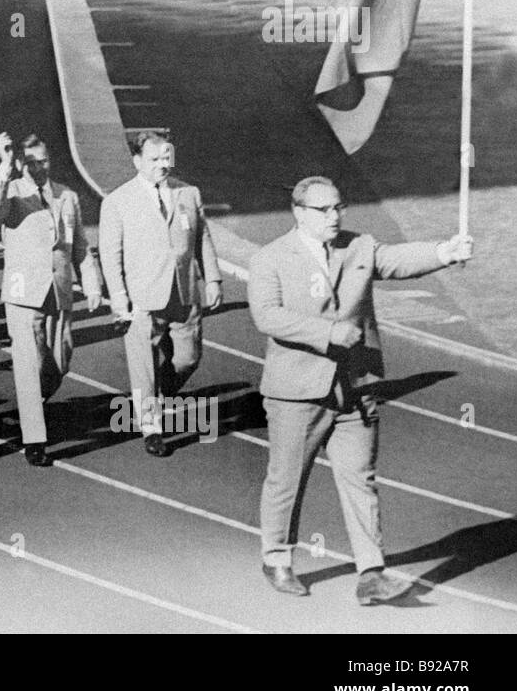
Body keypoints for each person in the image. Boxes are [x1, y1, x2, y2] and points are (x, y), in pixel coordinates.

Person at [248, 176, 474, 605]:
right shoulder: (271, 259)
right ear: (299, 213)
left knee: (360, 480)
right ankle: (276, 557)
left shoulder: (359, 246)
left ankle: (372, 571)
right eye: (323, 210)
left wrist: (445, 251)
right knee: (287, 479)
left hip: (356, 386)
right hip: (297, 391)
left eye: (339, 208)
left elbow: (396, 260)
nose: (335, 217)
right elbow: (267, 316)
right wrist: (330, 332)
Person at [98, 132, 222, 457]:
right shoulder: (118, 202)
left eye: (166, 157)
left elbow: (202, 238)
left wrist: (213, 280)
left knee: (188, 357)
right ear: (137, 161)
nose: (162, 165)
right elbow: (110, 255)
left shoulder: (188, 193)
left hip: (183, 291)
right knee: (143, 366)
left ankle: (161, 391)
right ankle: (151, 427)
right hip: (142, 295)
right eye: (154, 160)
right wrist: (119, 299)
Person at [0, 133, 103, 465]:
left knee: (59, 361)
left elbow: (79, 245)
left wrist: (91, 284)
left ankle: (31, 404)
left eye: (43, 161)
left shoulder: (67, 196)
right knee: (28, 364)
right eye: (31, 162)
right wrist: (5, 167)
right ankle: (34, 437)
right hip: (24, 293)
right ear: (22, 163)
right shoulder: (12, 193)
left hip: (59, 290)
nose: (38, 168)